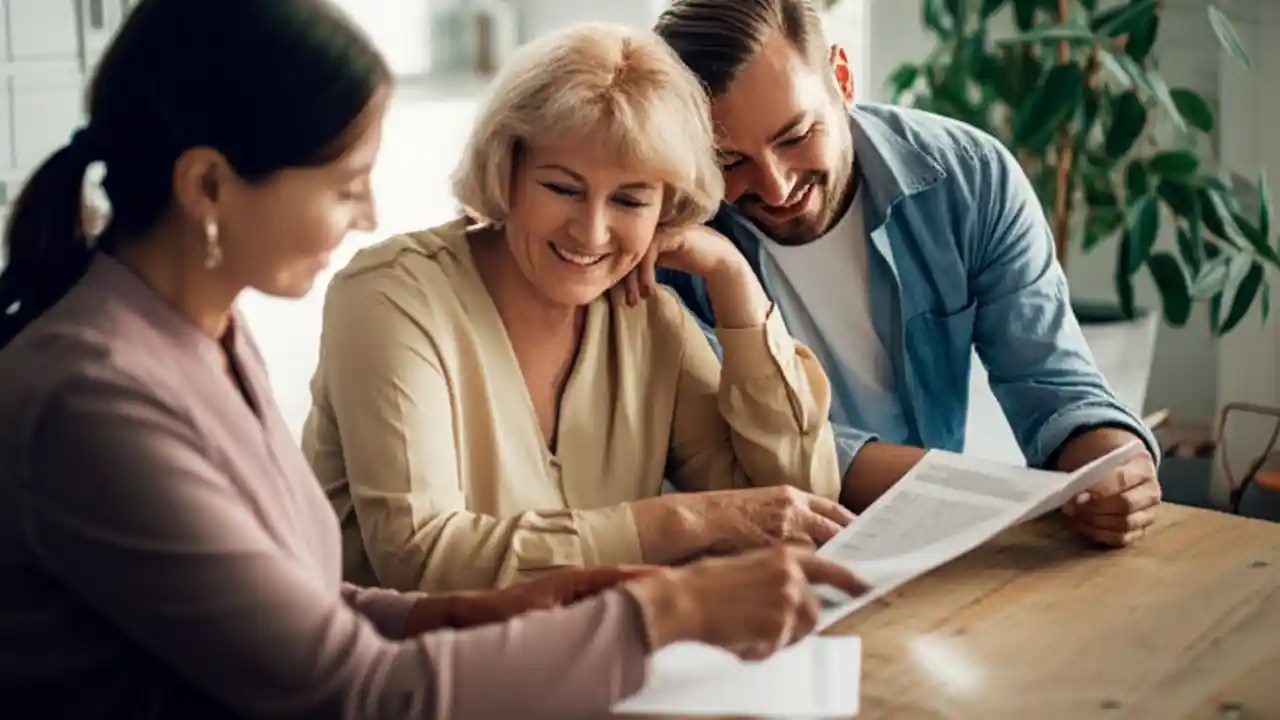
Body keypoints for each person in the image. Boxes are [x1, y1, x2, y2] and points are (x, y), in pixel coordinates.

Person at [0, 1, 867, 717]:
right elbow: (347, 686)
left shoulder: (201, 338)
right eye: (347, 184)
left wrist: (467, 611)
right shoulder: (93, 395)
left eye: (632, 198)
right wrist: (662, 607)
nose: (371, 214)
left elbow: (303, 608)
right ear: (208, 187)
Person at [303, 21, 855, 595]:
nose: (591, 232)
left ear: (668, 208)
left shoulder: (650, 321)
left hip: (596, 668)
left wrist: (734, 281)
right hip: (402, 675)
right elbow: (421, 558)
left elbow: (797, 504)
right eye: (563, 189)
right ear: (507, 169)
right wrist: (678, 522)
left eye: (630, 199)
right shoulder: (389, 296)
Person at [647, 0, 1162, 547]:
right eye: (729, 162)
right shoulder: (672, 246)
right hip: (752, 559)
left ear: (841, 78)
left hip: (932, 545)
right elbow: (769, 454)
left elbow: (1055, 385)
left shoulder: (968, 179)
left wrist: (1112, 466)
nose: (775, 186)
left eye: (795, 137)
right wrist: (1009, 498)